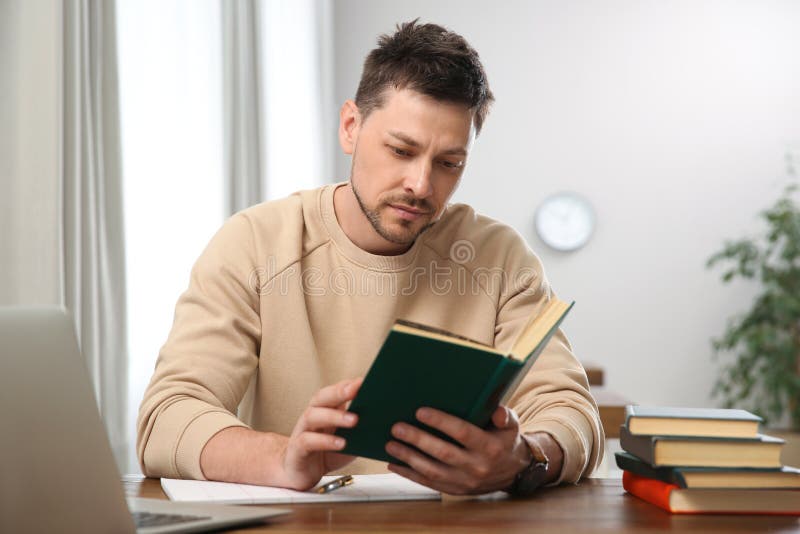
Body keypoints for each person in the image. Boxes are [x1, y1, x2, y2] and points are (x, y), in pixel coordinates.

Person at [137, 20, 603, 496]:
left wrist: (525, 458)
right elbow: (167, 416)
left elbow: (571, 410)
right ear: (350, 127)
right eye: (401, 150)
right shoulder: (254, 243)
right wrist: (282, 458)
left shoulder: (499, 258)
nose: (421, 185)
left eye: (449, 163)